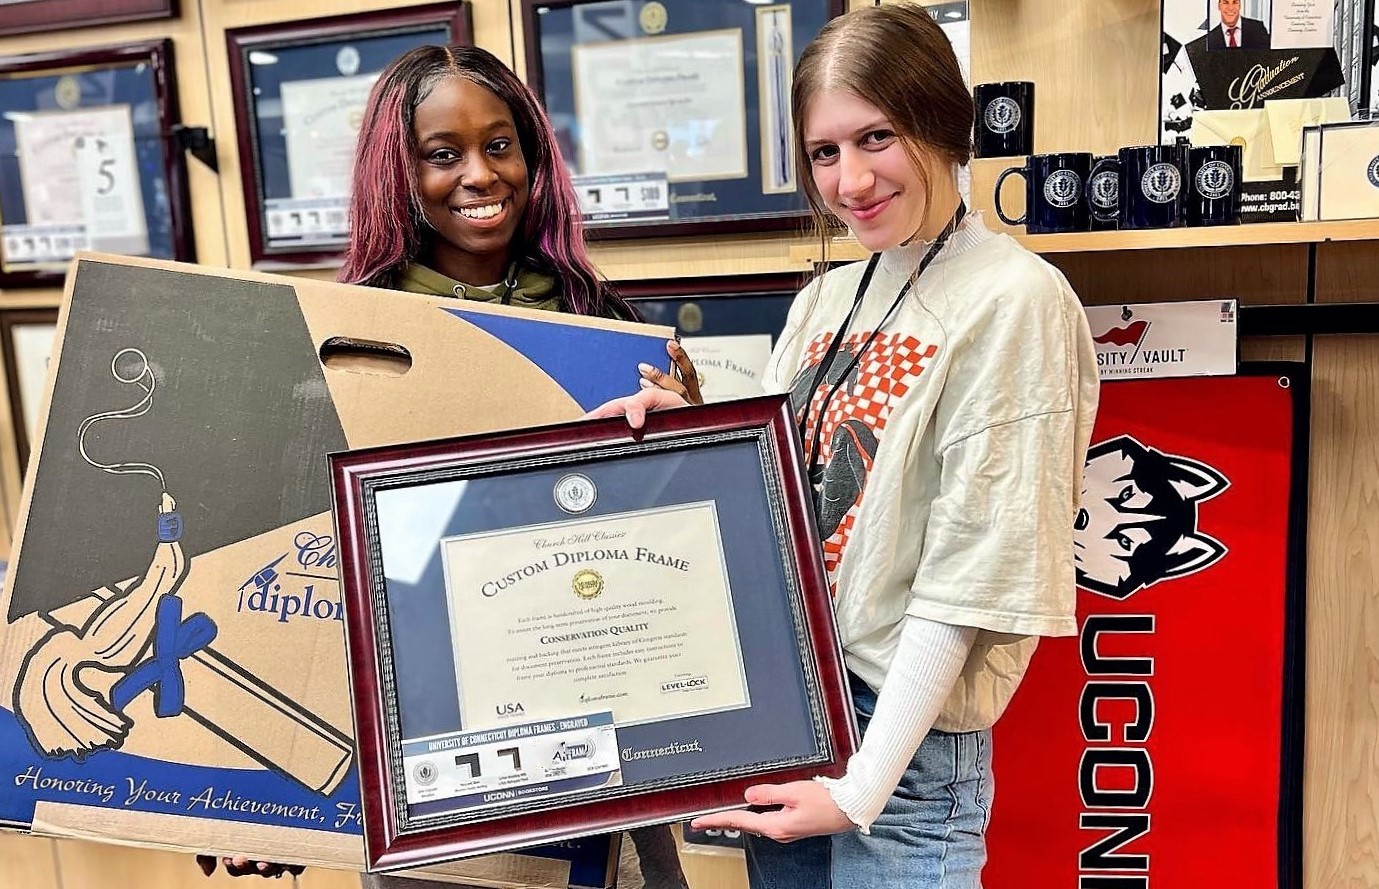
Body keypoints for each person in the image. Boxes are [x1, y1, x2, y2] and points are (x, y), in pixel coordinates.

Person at [587, 5, 1099, 887]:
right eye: (823, 152)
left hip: (900, 747)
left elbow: (968, 574)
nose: (850, 180)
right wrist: (684, 426)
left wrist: (861, 787)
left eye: (876, 138)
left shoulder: (1015, 299)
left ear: (943, 123)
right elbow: (781, 495)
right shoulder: (825, 300)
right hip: (791, 710)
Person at [196, 43, 695, 889]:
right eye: (441, 153)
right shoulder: (341, 346)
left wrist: (692, 440)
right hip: (419, 768)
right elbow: (291, 584)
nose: (479, 174)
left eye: (499, 145)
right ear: (397, 171)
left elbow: (671, 558)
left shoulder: (608, 331)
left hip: (595, 752)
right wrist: (264, 792)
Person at [1206, 0, 1271, 49]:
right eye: (1225, 2)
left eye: (1235, 2)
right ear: (1219, 6)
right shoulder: (1210, 38)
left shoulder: (1258, 29)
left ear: (1239, 5)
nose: (1231, 8)